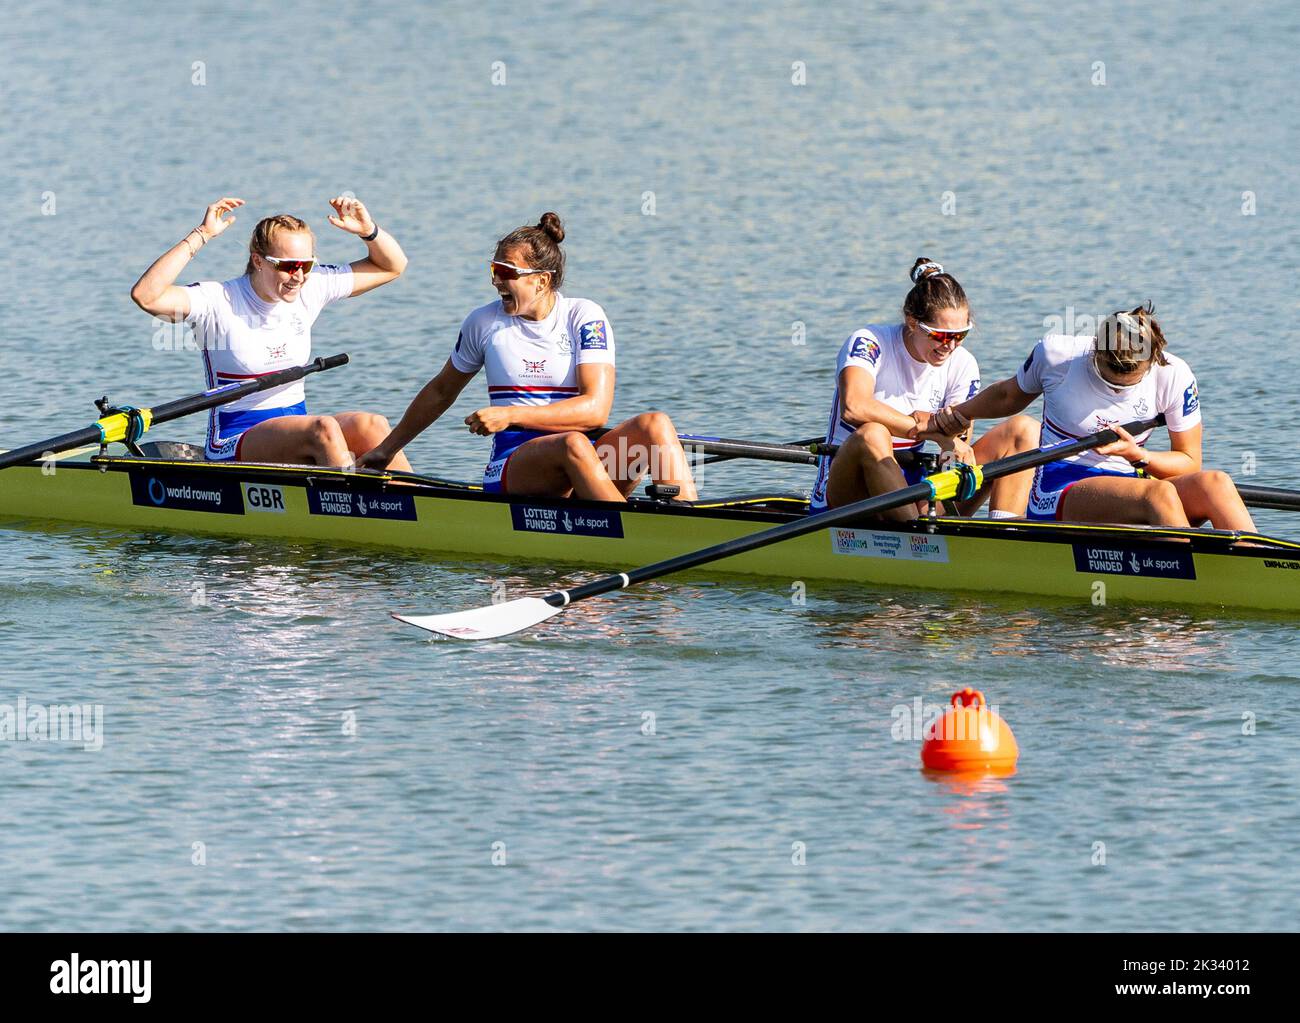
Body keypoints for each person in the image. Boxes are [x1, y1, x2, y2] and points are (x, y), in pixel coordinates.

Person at [357, 212, 698, 502]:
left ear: (541, 280)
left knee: (655, 424)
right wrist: (386, 450)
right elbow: (440, 392)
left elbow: (597, 411)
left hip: (589, 459)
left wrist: (509, 413)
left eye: (506, 273)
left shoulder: (584, 316)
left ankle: (688, 522)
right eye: (493, 269)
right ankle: (634, 535)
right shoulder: (484, 322)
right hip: (513, 466)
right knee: (572, 444)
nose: (495, 281)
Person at [130, 196, 411, 468]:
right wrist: (202, 233)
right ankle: (348, 504)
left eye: (306, 264)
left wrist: (368, 231)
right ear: (258, 261)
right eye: (287, 266)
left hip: (296, 429)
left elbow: (392, 266)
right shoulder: (217, 300)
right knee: (323, 429)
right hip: (234, 437)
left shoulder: (311, 288)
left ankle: (415, 502)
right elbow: (147, 296)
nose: (298, 276)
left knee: (372, 425)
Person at [928, 303, 1256, 529]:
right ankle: (1191, 581)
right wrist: (956, 415)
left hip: (1133, 484)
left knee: (1217, 483)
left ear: (1152, 360)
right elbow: (1008, 395)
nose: (1115, 387)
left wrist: (1138, 456)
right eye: (1108, 375)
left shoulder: (1174, 374)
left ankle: (1260, 570)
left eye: (1126, 382)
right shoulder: (1058, 355)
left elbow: (1188, 461)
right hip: (1061, 486)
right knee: (1161, 493)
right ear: (1096, 350)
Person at [809, 259, 1039, 521]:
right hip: (848, 491)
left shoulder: (963, 365)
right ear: (912, 322)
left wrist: (950, 451)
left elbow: (955, 450)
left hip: (914, 487)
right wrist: (928, 429)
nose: (950, 346)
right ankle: (919, 541)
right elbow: (854, 406)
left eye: (960, 335)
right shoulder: (870, 343)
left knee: (1023, 430)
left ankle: (1004, 536)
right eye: (940, 335)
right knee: (873, 434)